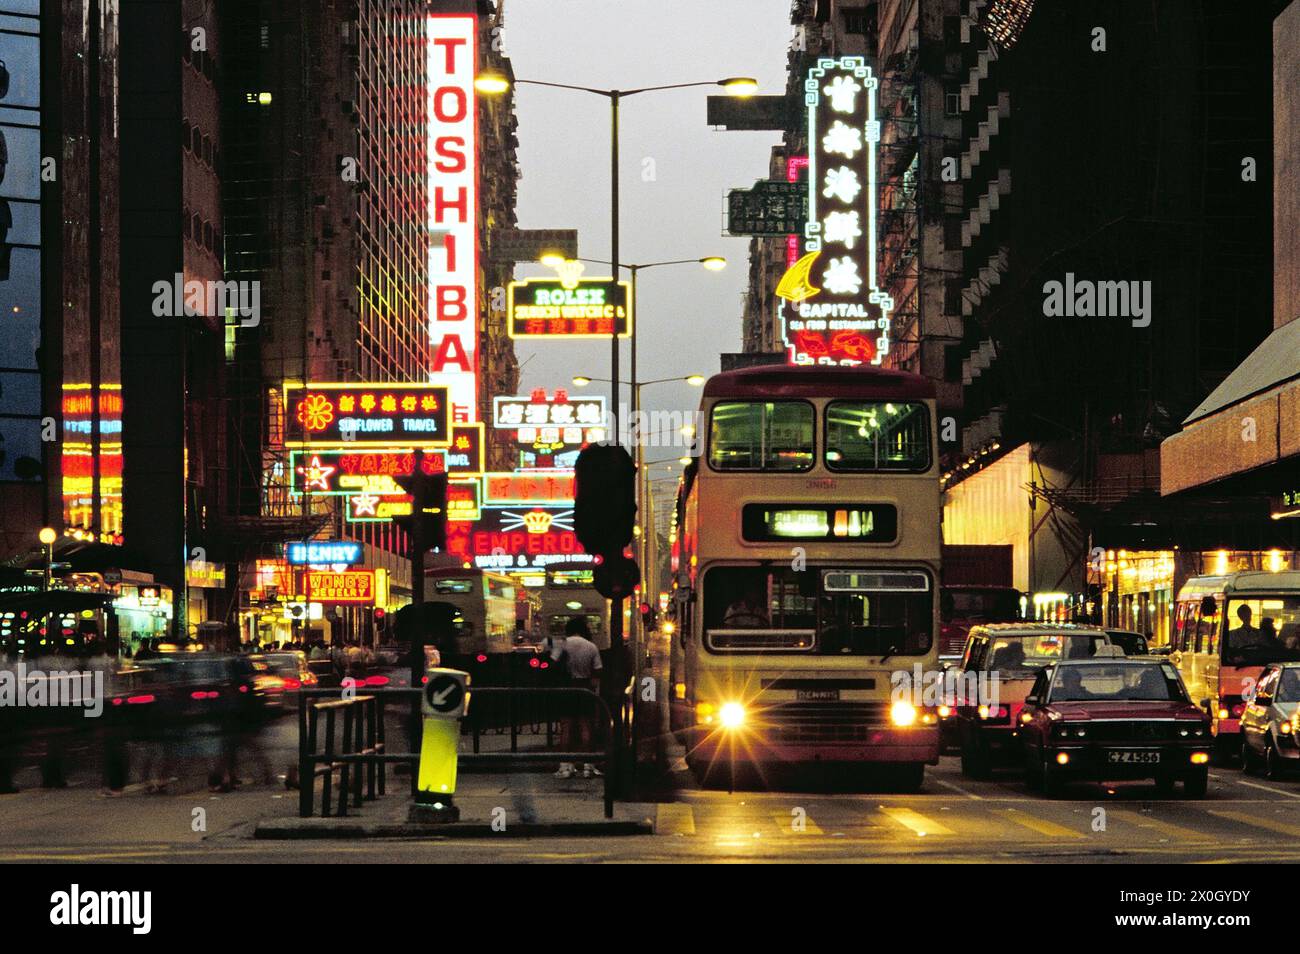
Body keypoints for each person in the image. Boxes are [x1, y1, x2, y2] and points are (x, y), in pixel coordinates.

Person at [550, 617, 603, 779]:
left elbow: (552, 666)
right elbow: (598, 671)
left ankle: (566, 766)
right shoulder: (591, 646)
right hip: (585, 688)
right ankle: (588, 765)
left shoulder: (561, 645)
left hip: (566, 689)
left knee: (566, 727)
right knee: (586, 726)